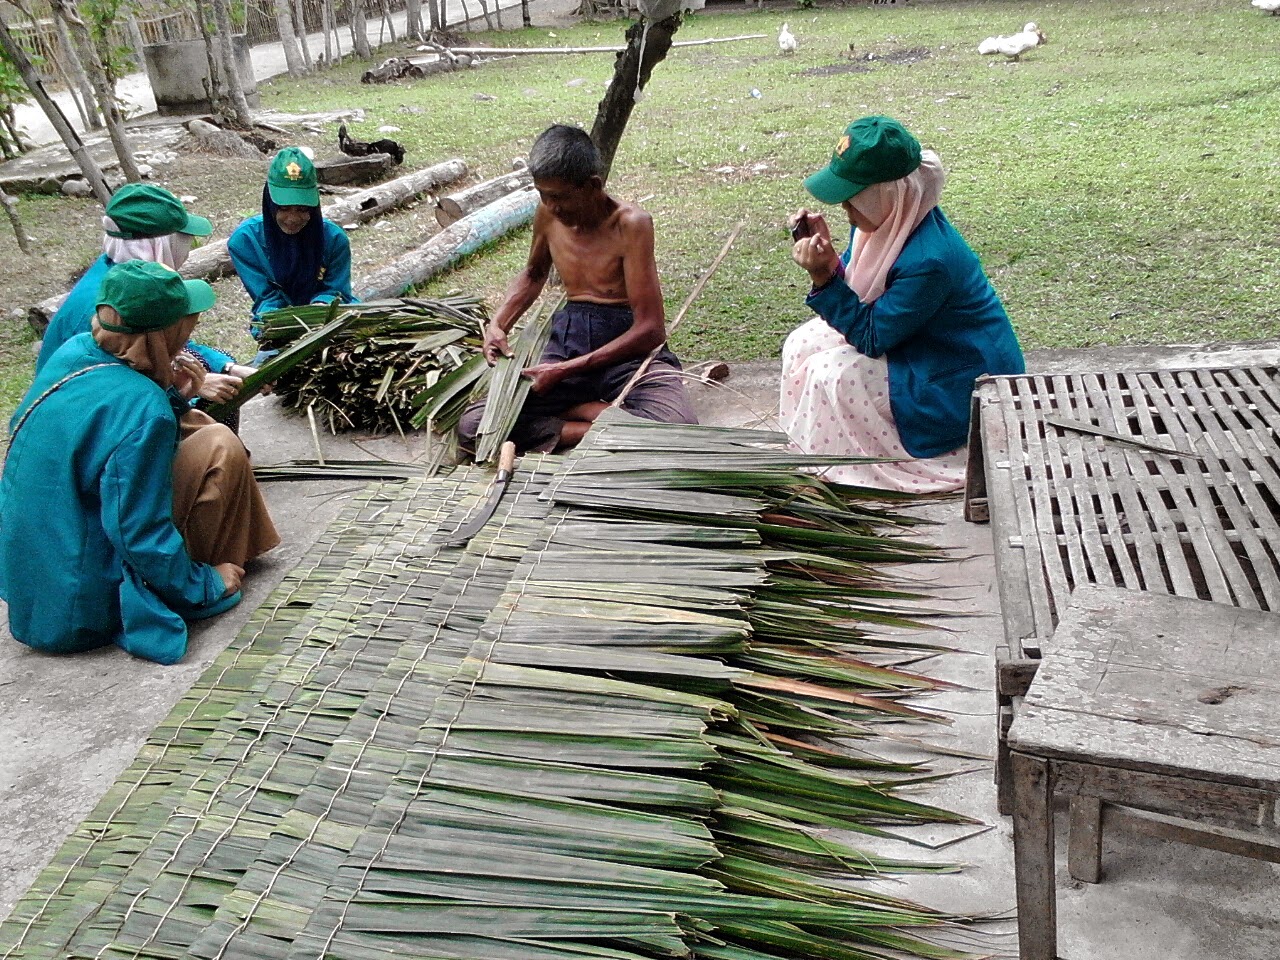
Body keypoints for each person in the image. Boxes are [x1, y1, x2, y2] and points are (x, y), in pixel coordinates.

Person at [1, 261, 280, 665]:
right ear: (160, 335)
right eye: (183, 329)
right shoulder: (140, 405)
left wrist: (174, 392)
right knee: (219, 443)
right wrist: (202, 584)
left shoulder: (76, 351)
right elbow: (136, 529)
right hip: (81, 608)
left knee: (194, 421)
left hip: (38, 590)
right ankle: (207, 569)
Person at [782, 115, 1024, 492]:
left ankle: (850, 469)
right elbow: (868, 291)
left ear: (885, 196)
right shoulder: (888, 224)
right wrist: (831, 261)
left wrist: (823, 278)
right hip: (919, 343)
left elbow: (872, 336)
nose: (845, 207)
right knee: (801, 344)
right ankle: (809, 448)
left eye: (852, 198)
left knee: (835, 374)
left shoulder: (930, 261)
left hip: (960, 378)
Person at [458, 124, 697, 454]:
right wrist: (498, 323)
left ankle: (580, 410)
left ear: (593, 186)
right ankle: (592, 423)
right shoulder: (547, 214)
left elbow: (651, 330)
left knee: (679, 430)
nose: (551, 206)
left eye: (560, 197)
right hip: (568, 340)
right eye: (543, 194)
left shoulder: (630, 223)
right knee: (474, 428)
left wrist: (564, 371)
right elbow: (533, 273)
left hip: (626, 348)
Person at [37, 183, 255, 405]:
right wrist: (193, 387)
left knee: (212, 368)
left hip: (117, 391)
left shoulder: (118, 273)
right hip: (91, 406)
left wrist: (227, 366)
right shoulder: (107, 307)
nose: (186, 252)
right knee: (211, 405)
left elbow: (166, 343)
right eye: (182, 242)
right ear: (157, 245)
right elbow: (116, 385)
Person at [228, 146, 356, 361]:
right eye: (284, 208)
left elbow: (337, 290)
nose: (293, 218)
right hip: (280, 323)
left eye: (302, 209)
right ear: (269, 201)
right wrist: (281, 327)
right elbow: (266, 297)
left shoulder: (334, 239)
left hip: (330, 319)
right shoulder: (245, 241)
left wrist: (319, 310)